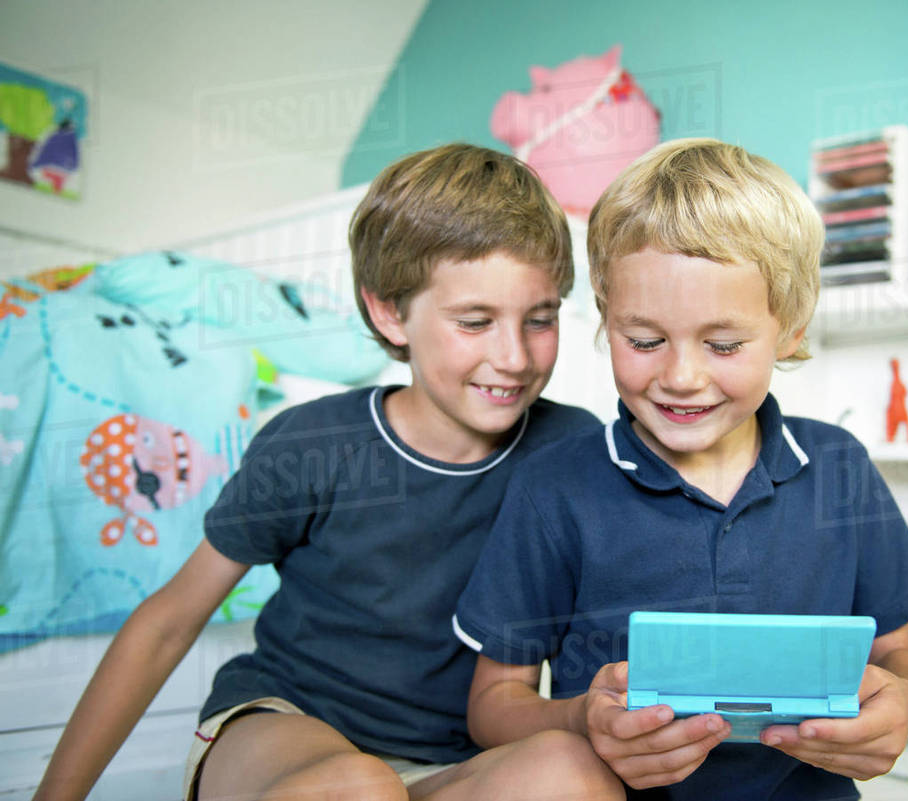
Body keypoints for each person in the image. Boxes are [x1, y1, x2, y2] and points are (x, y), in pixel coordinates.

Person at [33, 144, 624, 801]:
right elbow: (168, 621)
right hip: (283, 732)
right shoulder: (313, 444)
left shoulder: (573, 451)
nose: (513, 356)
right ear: (389, 312)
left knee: (576, 777)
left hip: (446, 766)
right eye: (475, 321)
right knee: (361, 787)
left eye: (539, 320)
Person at [453, 138, 908, 800]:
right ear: (606, 317)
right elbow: (493, 703)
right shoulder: (555, 485)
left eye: (723, 344)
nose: (682, 377)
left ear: (791, 328)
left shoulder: (837, 468)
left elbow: (900, 655)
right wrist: (578, 718)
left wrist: (906, 706)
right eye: (645, 340)